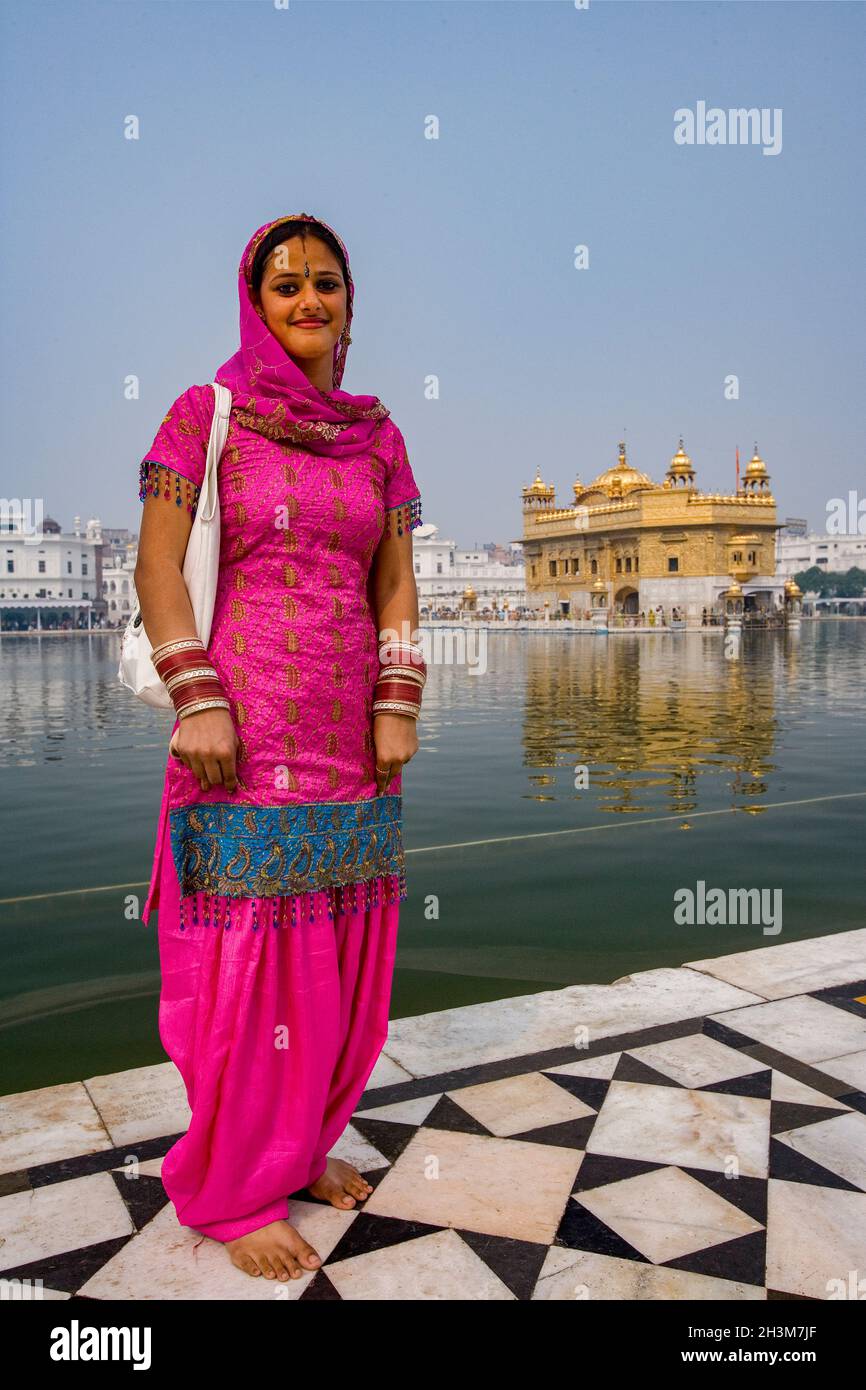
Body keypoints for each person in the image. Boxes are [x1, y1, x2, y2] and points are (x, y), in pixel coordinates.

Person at [134, 213, 424, 1282]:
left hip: (350, 738)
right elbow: (158, 568)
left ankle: (298, 1148)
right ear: (253, 302)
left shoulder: (377, 435)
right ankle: (229, 1184)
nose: (309, 301)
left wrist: (396, 700)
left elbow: (392, 581)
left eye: (327, 285)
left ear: (351, 302)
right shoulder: (198, 416)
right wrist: (196, 697)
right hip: (239, 739)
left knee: (338, 966)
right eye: (286, 285)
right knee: (248, 971)